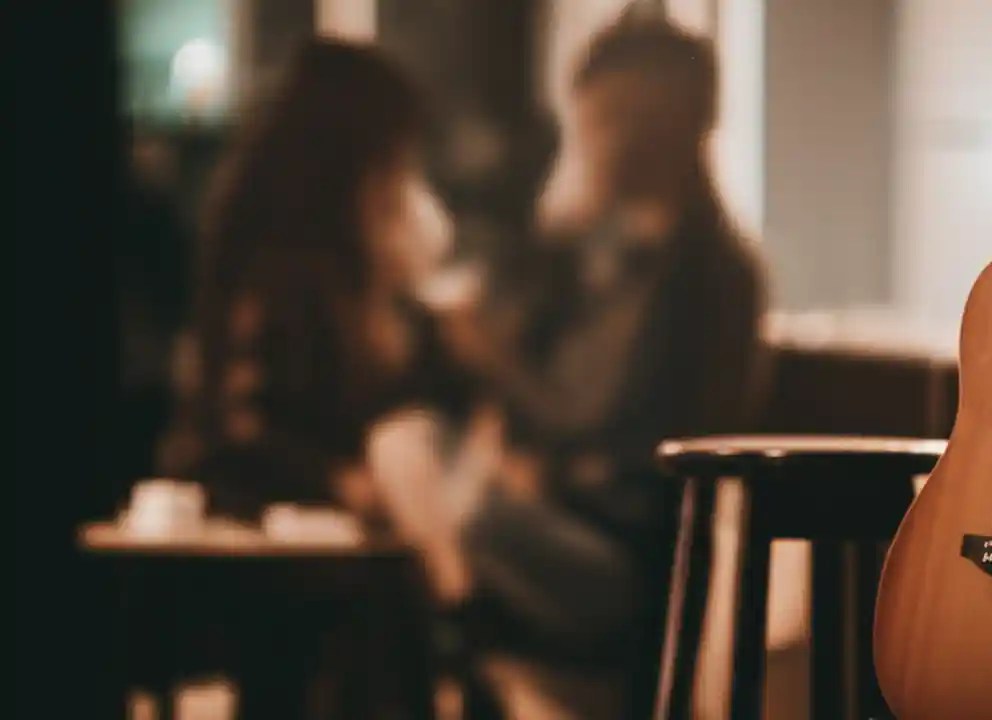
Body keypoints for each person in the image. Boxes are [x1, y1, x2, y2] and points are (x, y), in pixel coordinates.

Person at [367, 14, 768, 717]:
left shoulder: (713, 277)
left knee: (442, 514)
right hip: (547, 516)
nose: (594, 143)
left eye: (610, 121)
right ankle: (461, 634)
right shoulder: (588, 255)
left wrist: (496, 364)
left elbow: (612, 433)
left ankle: (463, 641)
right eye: (591, 121)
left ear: (668, 125)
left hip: (622, 557)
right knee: (405, 444)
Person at [163, 38, 469, 522]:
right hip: (267, 523)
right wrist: (339, 479)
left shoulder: (348, 254)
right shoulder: (278, 264)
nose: (399, 176)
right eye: (393, 157)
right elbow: (239, 427)